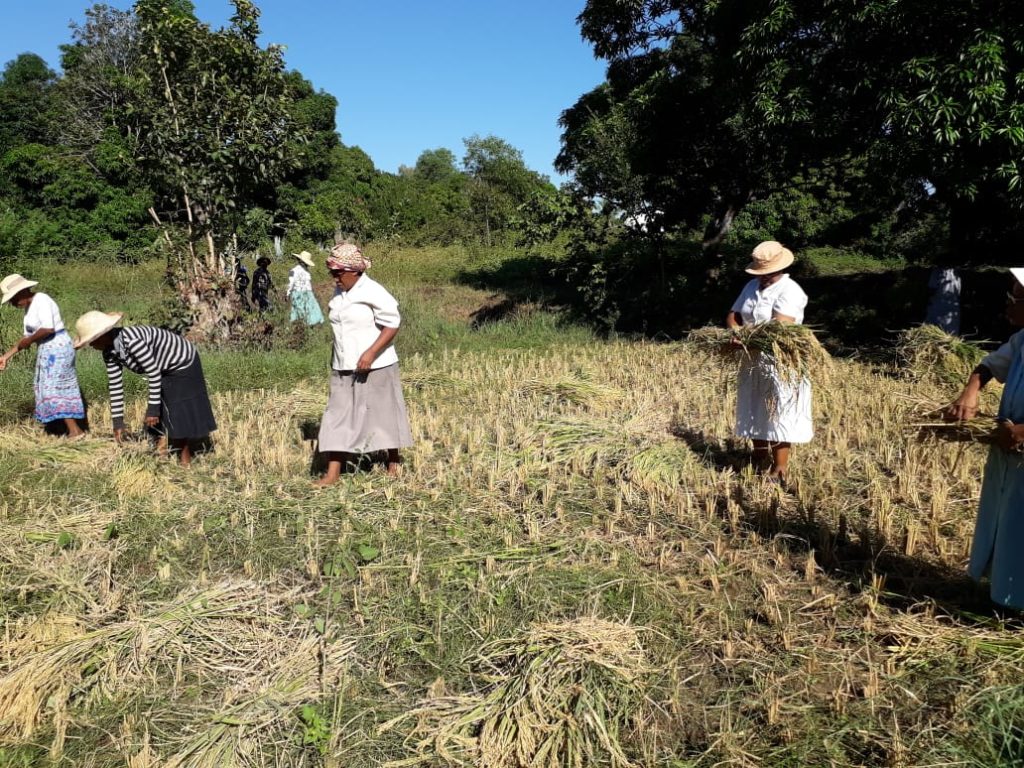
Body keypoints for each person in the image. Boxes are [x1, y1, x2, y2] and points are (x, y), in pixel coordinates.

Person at [945, 266, 1024, 610]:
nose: (1006, 305)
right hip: (1009, 454)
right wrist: (970, 392)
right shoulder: (1021, 340)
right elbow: (988, 366)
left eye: (1013, 298)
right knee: (1008, 520)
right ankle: (1004, 596)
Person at [316, 243, 412, 486]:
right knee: (336, 415)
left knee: (383, 414)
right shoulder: (340, 292)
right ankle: (333, 473)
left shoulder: (374, 291)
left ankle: (393, 461)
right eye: (332, 273)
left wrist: (370, 353)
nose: (334, 277)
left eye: (339, 273)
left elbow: (392, 324)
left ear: (355, 271)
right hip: (343, 364)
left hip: (376, 365)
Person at [73, 311, 217, 467]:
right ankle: (161, 450)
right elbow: (115, 385)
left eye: (92, 341)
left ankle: (185, 461)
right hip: (161, 366)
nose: (92, 346)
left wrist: (153, 410)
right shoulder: (109, 352)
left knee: (177, 410)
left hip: (181, 361)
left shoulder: (132, 341)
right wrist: (118, 423)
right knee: (163, 407)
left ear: (101, 335)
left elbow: (154, 373)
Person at [725, 241, 813, 482]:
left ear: (779, 269)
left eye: (767, 273)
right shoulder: (751, 286)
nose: (762, 277)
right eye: (760, 273)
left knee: (779, 409)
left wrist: (746, 340)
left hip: (780, 361)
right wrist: (735, 332)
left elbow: (779, 329)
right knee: (754, 407)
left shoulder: (790, 291)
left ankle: (780, 467)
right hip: (752, 359)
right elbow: (733, 314)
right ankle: (759, 457)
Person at [0, 274, 85, 437]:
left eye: (14, 298)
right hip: (46, 349)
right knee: (45, 388)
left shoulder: (42, 300)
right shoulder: (28, 310)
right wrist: (6, 356)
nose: (13, 303)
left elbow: (47, 329)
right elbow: (26, 338)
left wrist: (30, 340)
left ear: (23, 291)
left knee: (55, 388)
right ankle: (63, 428)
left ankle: (76, 431)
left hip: (58, 347)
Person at [288, 251, 324, 326]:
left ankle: (304, 326)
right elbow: (291, 283)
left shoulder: (294, 271)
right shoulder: (298, 271)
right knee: (308, 309)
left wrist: (288, 293)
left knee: (301, 310)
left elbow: (290, 283)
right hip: (305, 292)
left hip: (301, 292)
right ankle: (305, 326)